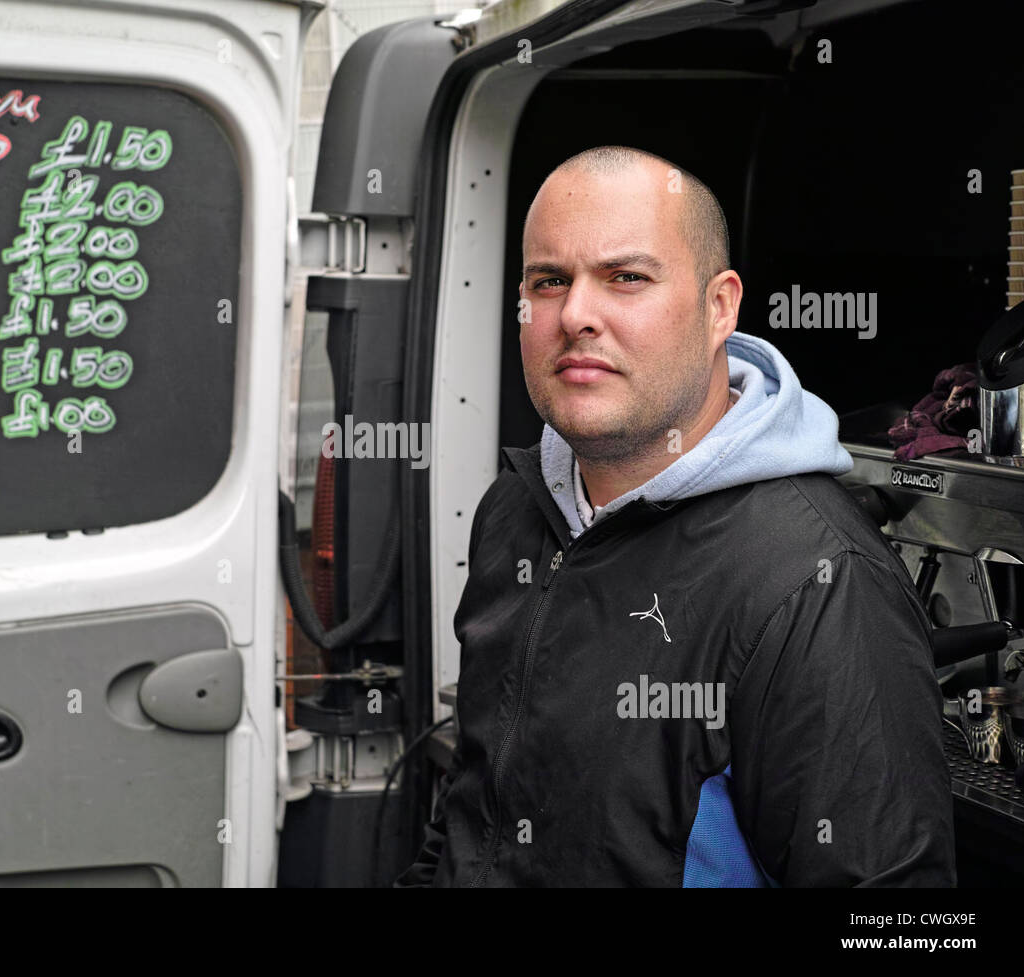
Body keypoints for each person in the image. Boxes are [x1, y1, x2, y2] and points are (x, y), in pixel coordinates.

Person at [395, 146, 956, 887]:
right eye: (549, 281)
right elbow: (475, 816)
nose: (577, 315)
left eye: (626, 278)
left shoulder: (814, 580)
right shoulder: (515, 512)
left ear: (719, 306)